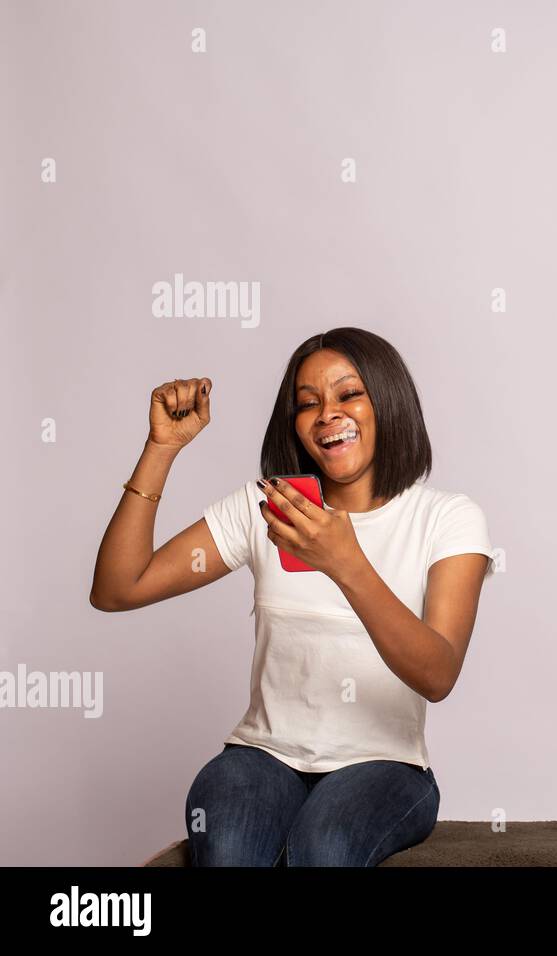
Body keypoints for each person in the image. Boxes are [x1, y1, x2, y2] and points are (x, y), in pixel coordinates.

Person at [90, 327, 492, 866]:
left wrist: (346, 564)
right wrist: (161, 449)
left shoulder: (447, 518)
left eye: (349, 394)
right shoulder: (269, 507)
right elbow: (118, 589)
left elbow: (438, 674)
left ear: (388, 403)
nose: (328, 413)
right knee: (230, 850)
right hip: (261, 758)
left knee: (323, 849)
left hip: (386, 765)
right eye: (308, 404)